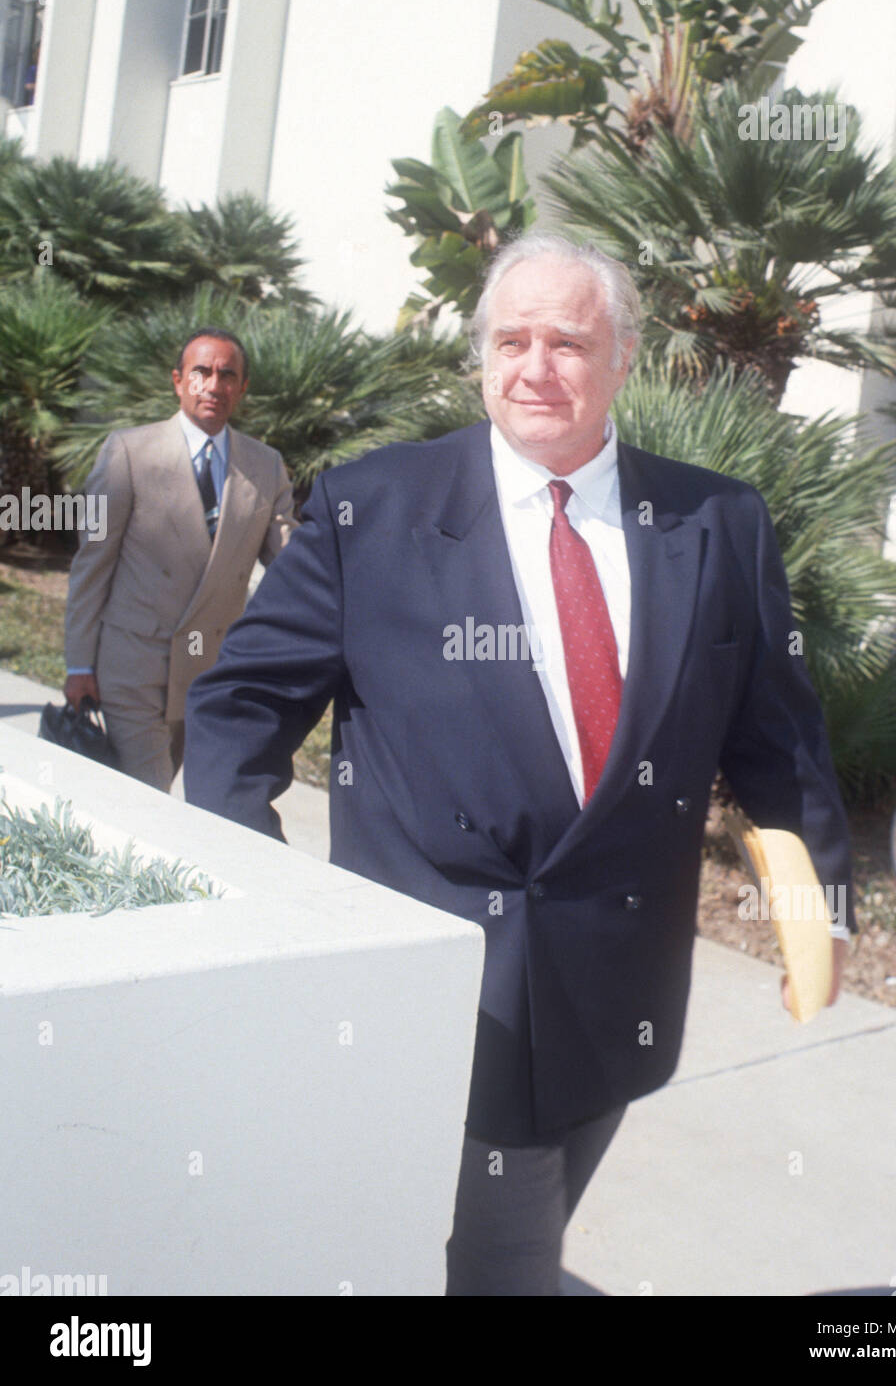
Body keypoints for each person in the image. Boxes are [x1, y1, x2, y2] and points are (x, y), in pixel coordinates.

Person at [183, 235, 853, 1295]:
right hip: (438, 989)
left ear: (624, 356)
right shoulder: (374, 508)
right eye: (511, 339)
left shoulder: (718, 521)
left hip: (617, 992)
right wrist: (266, 912)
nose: (535, 365)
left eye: (567, 341)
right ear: (480, 357)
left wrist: (822, 903)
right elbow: (237, 707)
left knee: (500, 1235)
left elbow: (775, 733)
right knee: (504, 1260)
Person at [63, 328, 297, 791]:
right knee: (149, 796)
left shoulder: (265, 466)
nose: (213, 385)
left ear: (242, 387)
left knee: (156, 794)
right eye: (201, 372)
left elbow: (292, 564)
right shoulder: (128, 452)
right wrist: (78, 665)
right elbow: (93, 564)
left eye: (227, 375)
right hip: (132, 666)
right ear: (178, 381)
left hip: (204, 672)